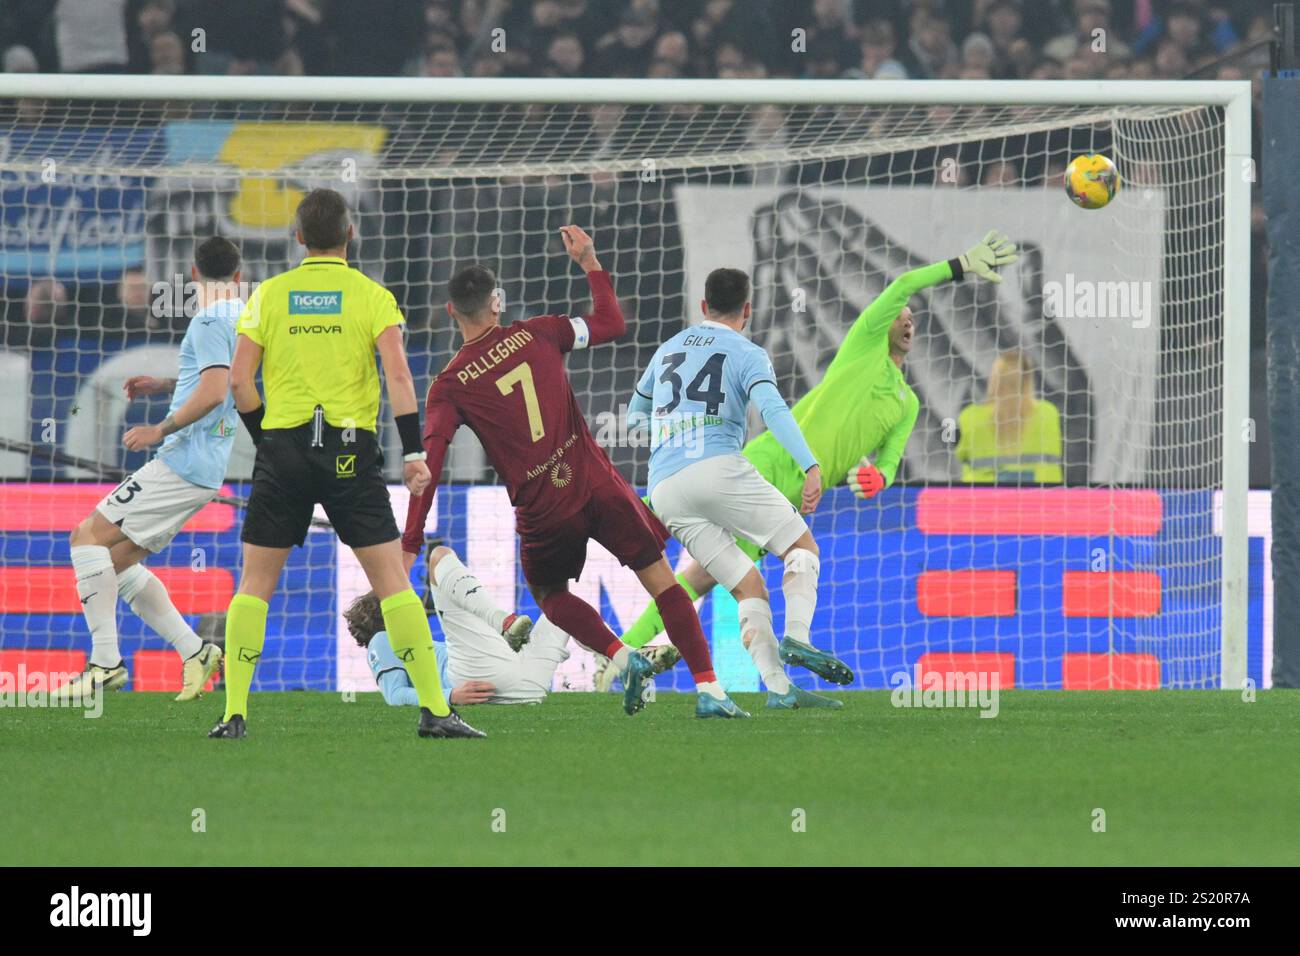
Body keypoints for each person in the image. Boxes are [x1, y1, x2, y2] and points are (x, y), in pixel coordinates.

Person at [612, 232, 1019, 655]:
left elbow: (890, 462)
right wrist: (959, 265)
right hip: (771, 461)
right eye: (901, 315)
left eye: (913, 319)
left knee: (705, 578)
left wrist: (878, 478)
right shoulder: (863, 348)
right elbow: (903, 284)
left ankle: (625, 650)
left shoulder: (909, 404)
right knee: (703, 552)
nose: (907, 321)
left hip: (799, 493)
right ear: (881, 322)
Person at [403, 225, 747, 719]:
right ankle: (711, 690)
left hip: (544, 508)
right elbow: (611, 322)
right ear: (497, 303)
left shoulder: (449, 384)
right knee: (663, 582)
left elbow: (428, 467)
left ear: (450, 311)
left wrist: (411, 541)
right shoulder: (541, 331)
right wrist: (589, 262)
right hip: (594, 480)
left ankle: (622, 657)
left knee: (550, 596)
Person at [210, 188, 479, 740]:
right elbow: (398, 375)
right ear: (350, 234)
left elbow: (238, 381)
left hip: (283, 449)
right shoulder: (372, 296)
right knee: (392, 583)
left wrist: (268, 441)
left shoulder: (269, 295)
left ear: (298, 238)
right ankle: (434, 710)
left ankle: (234, 714)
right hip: (350, 452)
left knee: (254, 584)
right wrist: (413, 453)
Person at [628, 267, 846, 709]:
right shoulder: (747, 352)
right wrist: (810, 464)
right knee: (802, 548)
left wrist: (673, 435)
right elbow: (773, 408)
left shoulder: (668, 349)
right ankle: (798, 637)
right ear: (747, 310)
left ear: (703, 306)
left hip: (664, 488)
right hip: (718, 468)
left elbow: (634, 418)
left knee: (748, 586)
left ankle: (780, 691)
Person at [59, 238, 243, 703]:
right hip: (206, 465)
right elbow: (216, 381)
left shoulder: (207, 320)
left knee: (85, 538)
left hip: (183, 460)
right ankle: (196, 652)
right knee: (112, 563)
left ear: (193, 274)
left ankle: (105, 664)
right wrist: (164, 384)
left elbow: (214, 392)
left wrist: (158, 429)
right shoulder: (242, 317)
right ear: (239, 276)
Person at [345, 544, 679, 706]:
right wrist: (451, 696)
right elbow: (395, 696)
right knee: (439, 556)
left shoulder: (426, 647)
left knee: (562, 609)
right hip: (477, 682)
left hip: (526, 688)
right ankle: (501, 620)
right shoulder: (382, 640)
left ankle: (625, 658)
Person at [956, 350, 1063, 484]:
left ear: (994, 379)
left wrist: (948, 423)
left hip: (982, 494)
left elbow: (957, 453)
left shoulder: (970, 416)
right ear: (1028, 380)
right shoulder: (1048, 413)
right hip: (1039, 494)